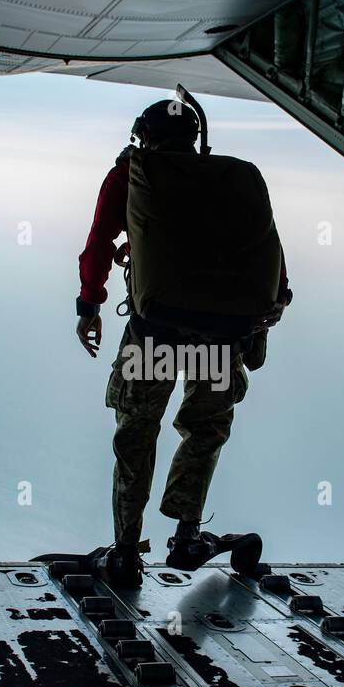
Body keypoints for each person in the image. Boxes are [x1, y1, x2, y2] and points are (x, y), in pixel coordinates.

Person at [74, 95, 291, 586]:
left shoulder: (132, 174)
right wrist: (271, 304)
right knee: (205, 428)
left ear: (142, 136)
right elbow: (269, 250)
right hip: (219, 339)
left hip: (154, 336)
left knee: (137, 433)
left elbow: (98, 246)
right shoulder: (228, 180)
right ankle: (188, 533)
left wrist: (89, 306)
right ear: (194, 138)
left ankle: (127, 552)